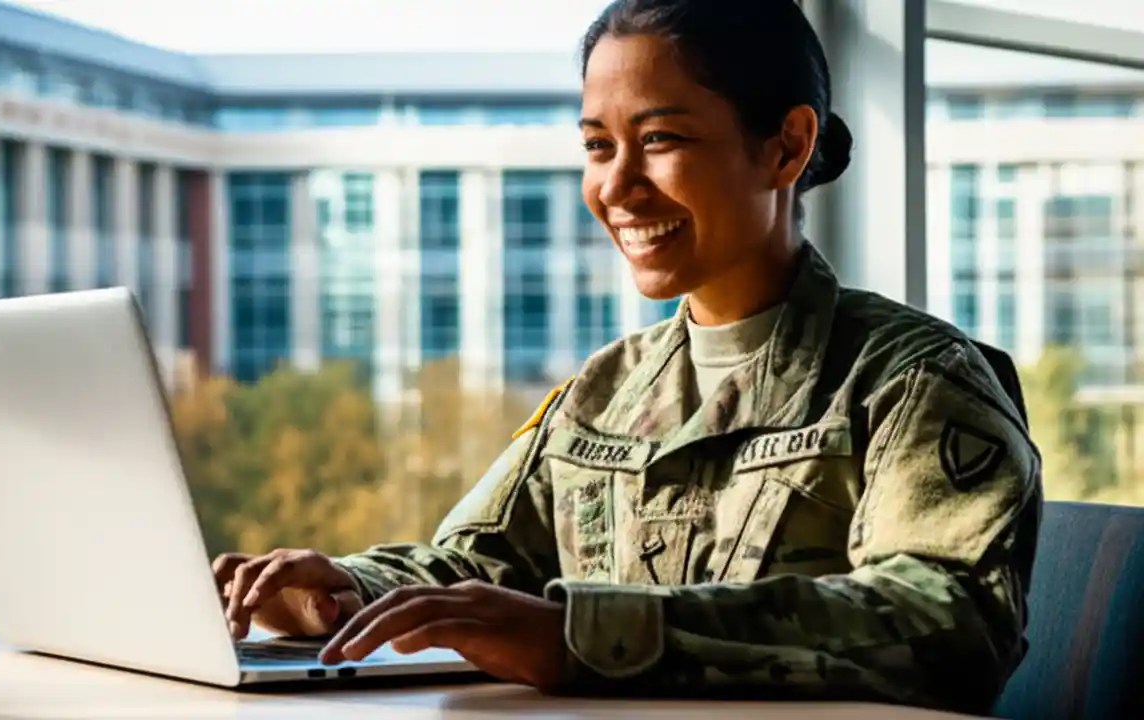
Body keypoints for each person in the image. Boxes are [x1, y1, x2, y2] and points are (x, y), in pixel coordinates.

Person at [212, 0, 1042, 712]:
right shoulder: (605, 389)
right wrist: (346, 593)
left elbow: (951, 620)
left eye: (661, 139)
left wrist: (590, 636)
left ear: (786, 147)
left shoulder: (912, 380)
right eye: (598, 146)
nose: (617, 187)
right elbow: (480, 563)